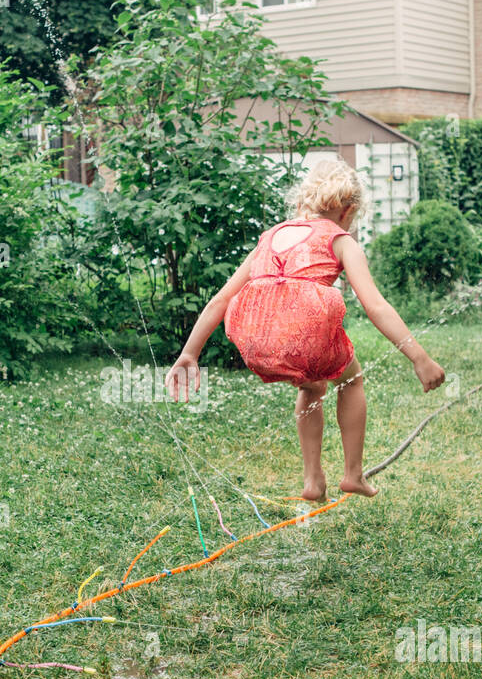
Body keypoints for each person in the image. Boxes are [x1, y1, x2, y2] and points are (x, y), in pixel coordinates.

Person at [165, 160, 445, 500]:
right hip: (305, 337)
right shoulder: (341, 241)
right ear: (349, 211)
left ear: (302, 203)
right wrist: (419, 358)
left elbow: (221, 300)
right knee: (351, 380)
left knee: (312, 386)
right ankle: (353, 474)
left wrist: (189, 353)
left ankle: (313, 480)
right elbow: (376, 306)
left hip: (257, 343)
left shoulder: (269, 238)